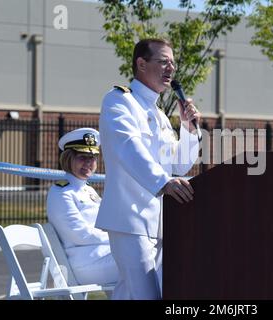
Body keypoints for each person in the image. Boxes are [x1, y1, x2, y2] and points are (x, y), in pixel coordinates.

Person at [95, 38, 201, 300]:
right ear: (141, 64)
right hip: (130, 219)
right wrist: (163, 182)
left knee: (128, 294)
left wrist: (187, 128)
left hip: (158, 222)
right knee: (148, 296)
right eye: (163, 61)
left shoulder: (160, 114)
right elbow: (128, 148)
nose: (171, 68)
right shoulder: (119, 101)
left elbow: (180, 163)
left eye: (173, 63)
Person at [46, 128, 119, 286]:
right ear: (68, 159)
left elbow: (105, 222)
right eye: (82, 157)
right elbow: (80, 234)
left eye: (92, 158)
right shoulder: (61, 192)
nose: (88, 163)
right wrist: (116, 237)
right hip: (82, 264)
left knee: (154, 255)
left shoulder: (89, 190)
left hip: (101, 256)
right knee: (145, 260)